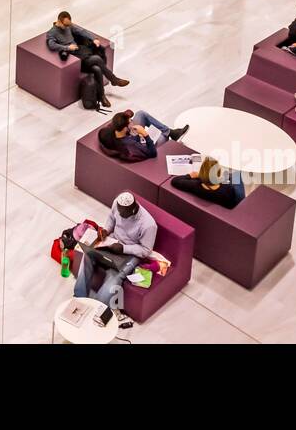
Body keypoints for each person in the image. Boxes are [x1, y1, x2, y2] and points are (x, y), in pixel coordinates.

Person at [72, 191, 157, 327]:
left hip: (131, 253)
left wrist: (123, 248)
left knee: (116, 276)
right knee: (88, 254)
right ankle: (79, 297)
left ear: (133, 210)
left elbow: (146, 251)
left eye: (124, 214)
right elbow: (112, 217)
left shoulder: (148, 224)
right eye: (119, 211)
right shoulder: (118, 201)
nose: (121, 216)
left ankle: (97, 309)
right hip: (111, 243)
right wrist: (106, 230)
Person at [46, 11, 129, 87]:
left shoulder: (68, 26)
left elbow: (82, 31)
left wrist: (94, 38)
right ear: (59, 21)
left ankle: (103, 93)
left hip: (80, 50)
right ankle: (114, 80)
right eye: (65, 25)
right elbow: (51, 45)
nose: (67, 27)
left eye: (68, 25)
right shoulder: (52, 32)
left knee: (97, 66)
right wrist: (67, 47)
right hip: (73, 55)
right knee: (97, 59)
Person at [97, 110, 188, 162]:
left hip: (130, 136)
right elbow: (152, 153)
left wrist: (126, 116)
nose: (131, 122)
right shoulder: (129, 145)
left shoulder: (111, 129)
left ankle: (171, 132)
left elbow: (119, 121)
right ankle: (169, 133)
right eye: (130, 122)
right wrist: (145, 134)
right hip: (141, 145)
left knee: (140, 114)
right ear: (125, 128)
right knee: (162, 136)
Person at [170, 156, 242, 208]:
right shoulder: (227, 189)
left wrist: (190, 175)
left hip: (212, 193)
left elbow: (175, 180)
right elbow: (232, 203)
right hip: (227, 200)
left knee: (230, 176)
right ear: (218, 174)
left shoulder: (195, 185)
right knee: (237, 174)